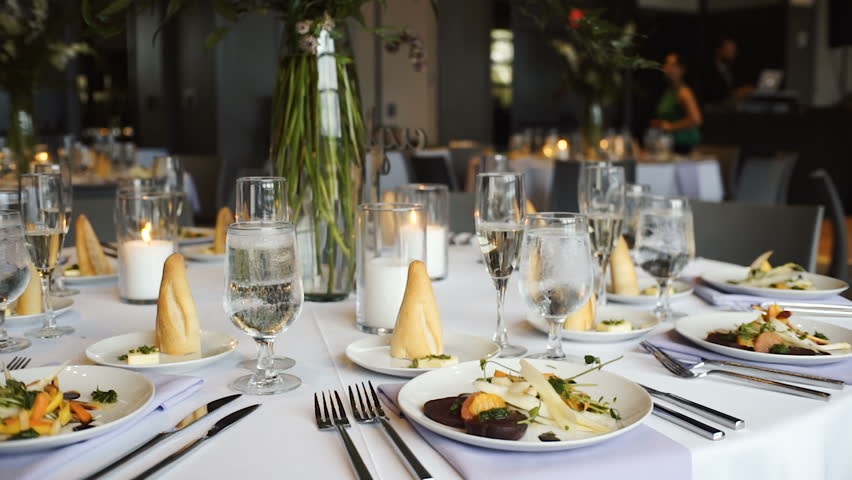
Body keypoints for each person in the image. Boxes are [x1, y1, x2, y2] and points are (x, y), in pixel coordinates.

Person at [652, 53, 702, 154]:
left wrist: (671, 126)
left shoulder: (684, 92)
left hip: (685, 146)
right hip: (670, 144)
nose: (668, 68)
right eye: (666, 64)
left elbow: (696, 119)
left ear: (681, 69)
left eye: (672, 65)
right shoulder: (669, 92)